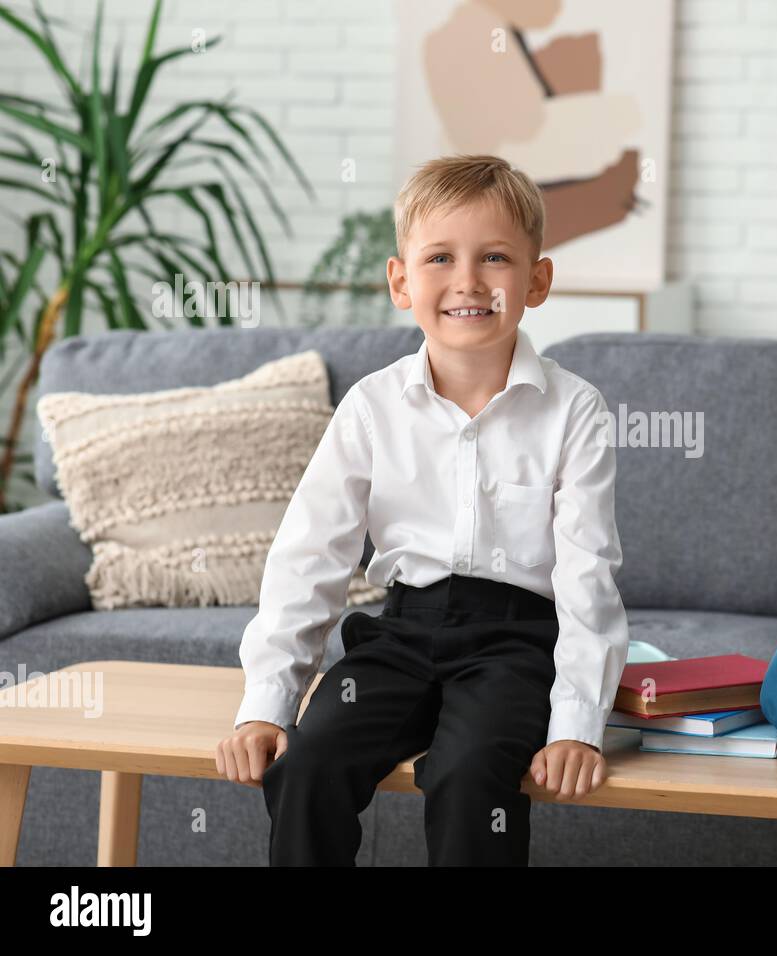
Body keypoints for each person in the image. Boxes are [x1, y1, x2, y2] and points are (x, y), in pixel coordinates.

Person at [215, 154, 630, 866]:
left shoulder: (576, 411)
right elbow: (308, 558)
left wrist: (577, 724)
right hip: (400, 636)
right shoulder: (372, 408)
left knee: (472, 775)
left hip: (515, 647)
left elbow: (588, 577)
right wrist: (265, 707)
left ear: (537, 281)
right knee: (308, 766)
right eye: (440, 257)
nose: (467, 280)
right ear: (401, 281)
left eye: (495, 257)